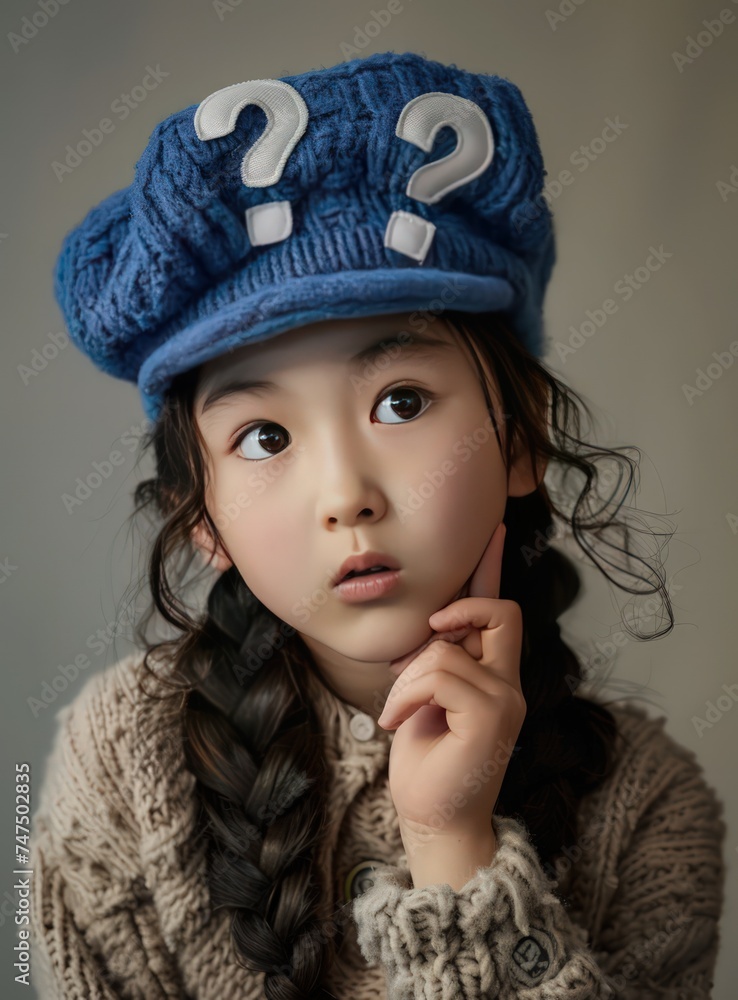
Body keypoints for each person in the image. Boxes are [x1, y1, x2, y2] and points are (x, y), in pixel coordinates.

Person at [29, 50, 725, 999]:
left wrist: (455, 850)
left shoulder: (651, 806)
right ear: (204, 520)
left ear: (519, 443)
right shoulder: (116, 764)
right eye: (265, 434)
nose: (345, 494)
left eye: (400, 403)